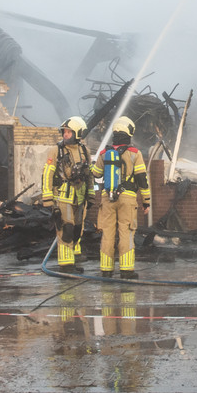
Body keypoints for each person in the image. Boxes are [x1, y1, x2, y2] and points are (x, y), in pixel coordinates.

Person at [90, 116, 150, 279]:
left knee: (108, 233)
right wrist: (146, 201)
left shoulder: (104, 153)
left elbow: (95, 174)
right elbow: (142, 179)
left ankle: (106, 270)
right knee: (126, 232)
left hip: (107, 198)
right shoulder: (134, 154)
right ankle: (126, 270)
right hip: (127, 199)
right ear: (129, 133)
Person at [41, 116, 92, 272]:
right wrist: (48, 198)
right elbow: (47, 174)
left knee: (77, 230)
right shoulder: (55, 150)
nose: (65, 135)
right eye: (64, 132)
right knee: (66, 229)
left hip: (80, 198)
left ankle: (73, 262)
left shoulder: (84, 150)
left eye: (69, 132)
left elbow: (88, 174)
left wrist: (91, 194)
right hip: (63, 196)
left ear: (78, 133)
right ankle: (66, 265)